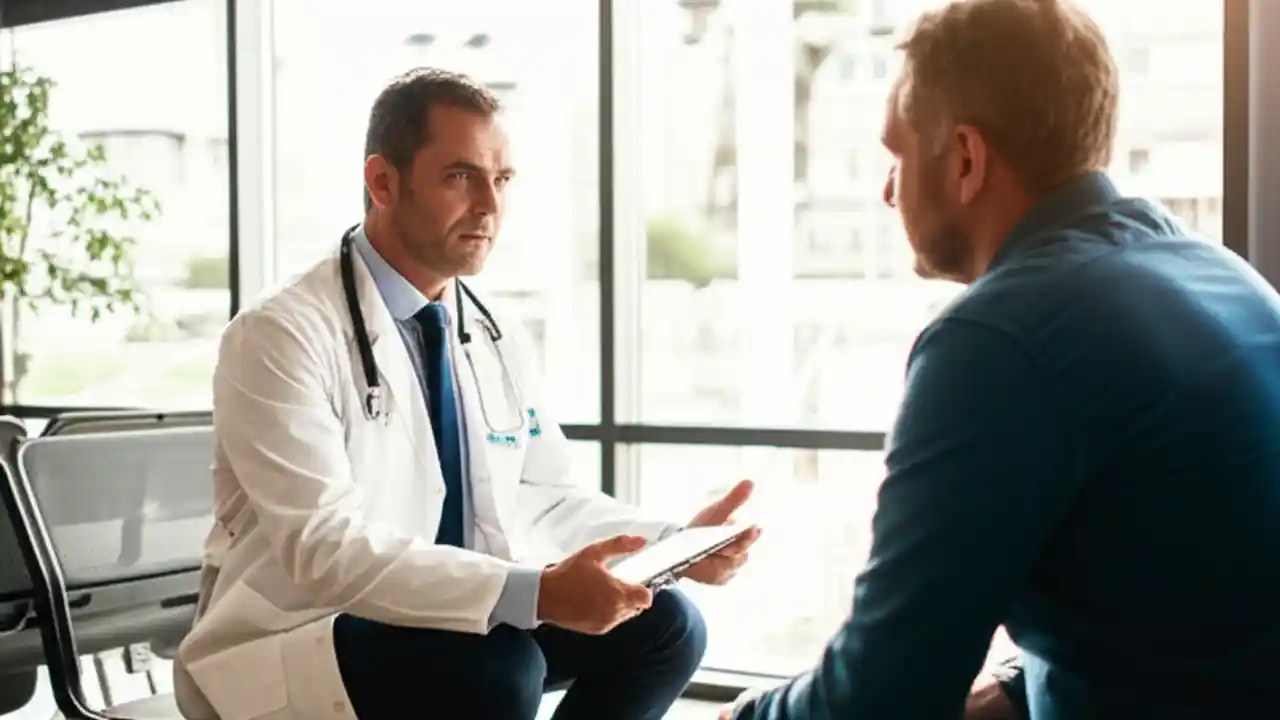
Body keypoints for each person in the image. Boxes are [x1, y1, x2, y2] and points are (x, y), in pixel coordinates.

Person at [721, 0, 1280, 718]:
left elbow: (883, 698)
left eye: (896, 154)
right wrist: (1018, 687)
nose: (888, 191)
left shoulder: (1002, 338)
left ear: (964, 158)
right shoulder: (1213, 270)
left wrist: (748, 718)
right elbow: (1191, 598)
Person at [172, 68, 761, 720]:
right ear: (383, 182)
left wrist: (670, 546)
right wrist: (533, 593)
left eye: (501, 179)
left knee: (667, 626)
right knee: (497, 668)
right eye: (461, 176)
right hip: (307, 630)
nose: (490, 203)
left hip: (445, 614)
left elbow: (547, 496)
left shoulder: (491, 332)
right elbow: (324, 549)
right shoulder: (279, 334)